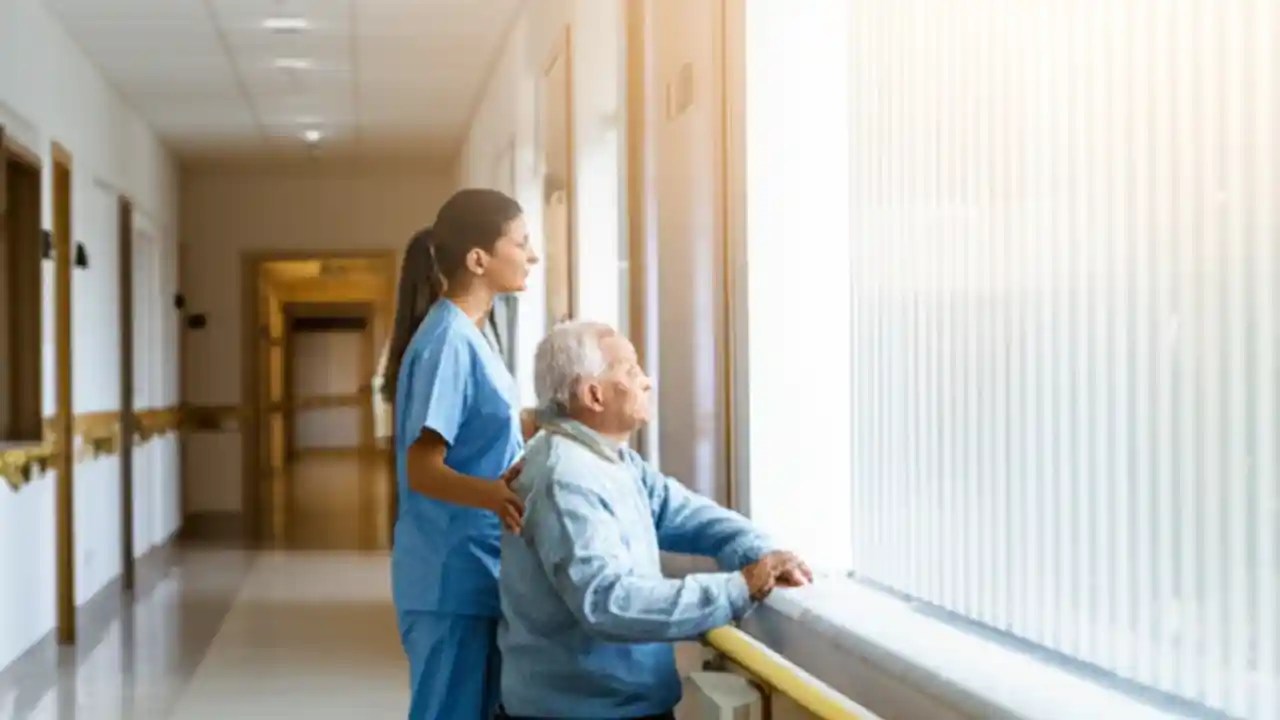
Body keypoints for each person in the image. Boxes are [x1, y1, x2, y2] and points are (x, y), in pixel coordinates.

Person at [498, 321, 812, 719]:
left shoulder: (609, 458)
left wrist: (760, 550)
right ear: (593, 394)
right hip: (580, 713)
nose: (647, 381)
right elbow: (608, 601)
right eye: (630, 371)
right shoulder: (566, 477)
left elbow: (682, 511)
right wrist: (739, 587)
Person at [391, 189, 539, 720]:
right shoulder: (448, 340)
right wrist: (500, 496)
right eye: (521, 244)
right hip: (449, 577)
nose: (532, 256)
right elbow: (423, 467)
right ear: (479, 259)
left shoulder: (473, 337)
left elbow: (481, 433)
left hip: (475, 571)